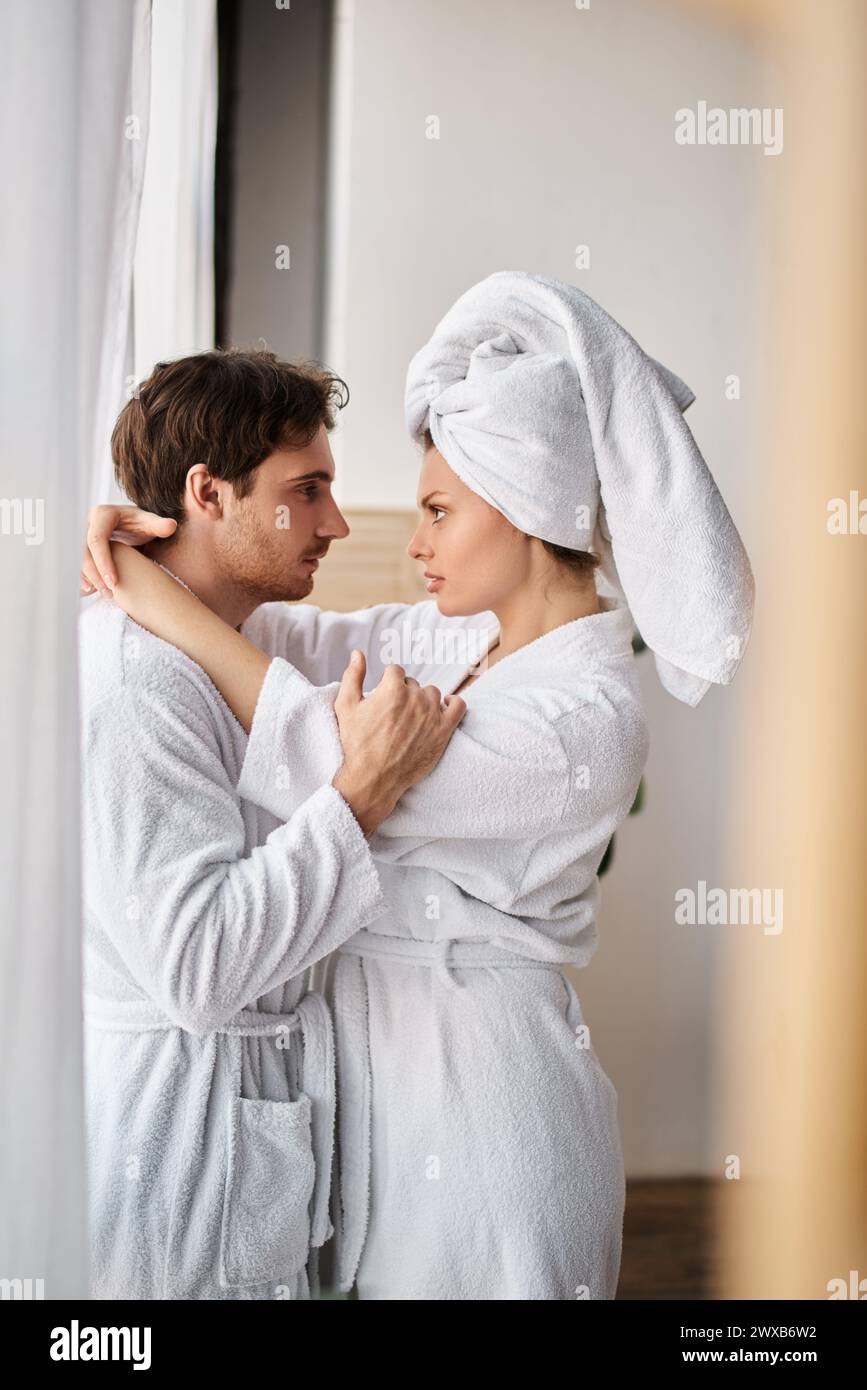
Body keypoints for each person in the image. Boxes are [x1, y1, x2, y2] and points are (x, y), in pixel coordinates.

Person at [84, 272, 754, 1299]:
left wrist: (157, 600)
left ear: (524, 506)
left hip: (487, 1112)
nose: (409, 541)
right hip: (381, 1101)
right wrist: (150, 557)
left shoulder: (582, 716)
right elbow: (290, 640)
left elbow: (333, 749)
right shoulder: (456, 642)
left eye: (438, 508)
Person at [78, 349, 464, 1300]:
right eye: (310, 489)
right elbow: (197, 967)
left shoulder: (235, 638)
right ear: (208, 492)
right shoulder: (141, 687)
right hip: (182, 1161)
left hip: (237, 1127)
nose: (334, 522)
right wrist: (357, 800)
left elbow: (428, 637)